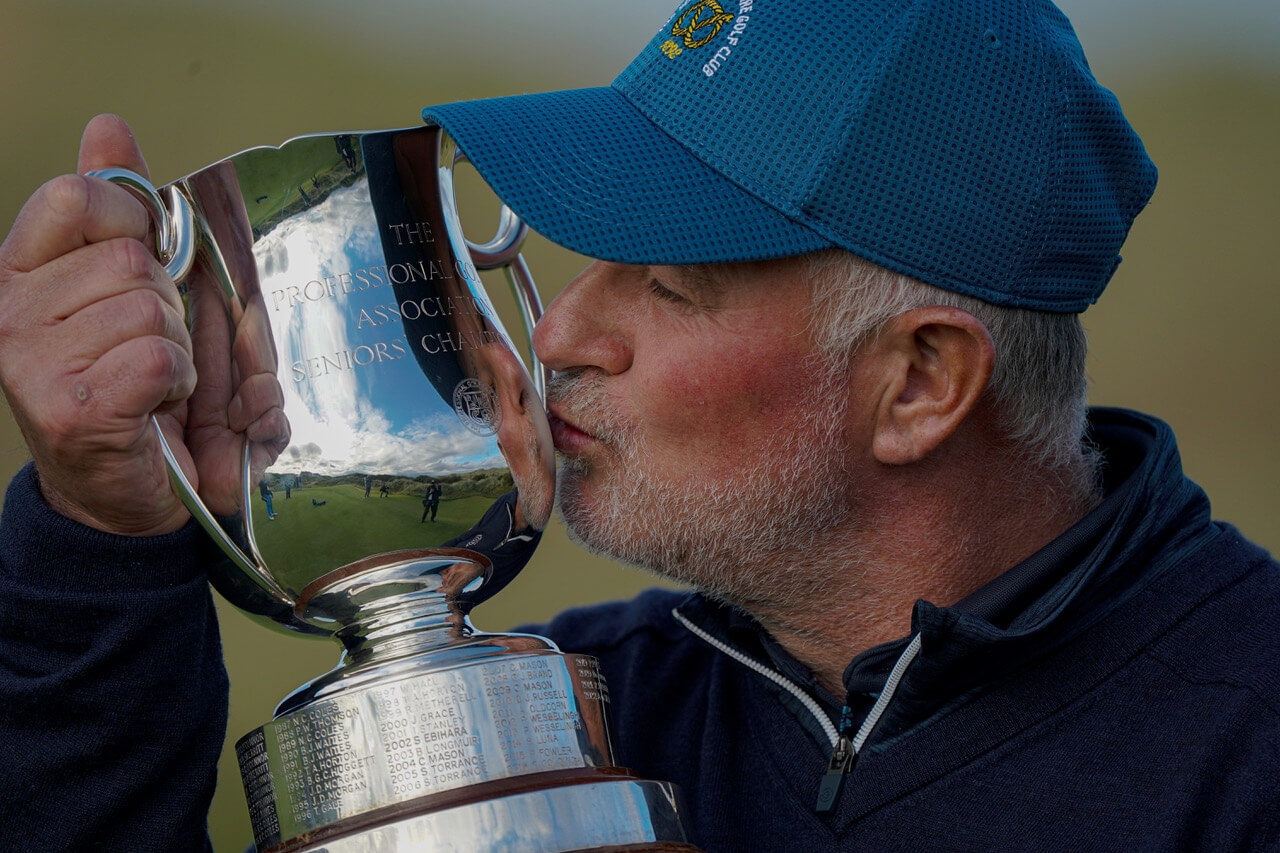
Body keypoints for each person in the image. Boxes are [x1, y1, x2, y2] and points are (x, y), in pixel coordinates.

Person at [0, 1, 1277, 851]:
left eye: (667, 287)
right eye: (589, 259)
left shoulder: (1242, 745)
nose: (558, 333)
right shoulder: (569, 706)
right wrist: (101, 542)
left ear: (919, 385)